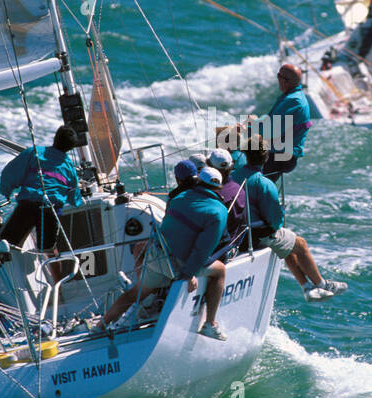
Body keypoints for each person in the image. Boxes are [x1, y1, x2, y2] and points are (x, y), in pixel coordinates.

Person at [100, 166, 229, 339]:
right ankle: (210, 324)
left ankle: (100, 325)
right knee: (220, 270)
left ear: (198, 181)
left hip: (157, 258)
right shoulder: (219, 211)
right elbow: (202, 250)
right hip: (179, 267)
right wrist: (189, 274)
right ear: (219, 188)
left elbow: (166, 230)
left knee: (134, 294)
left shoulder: (178, 198)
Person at [237, 135, 345, 301]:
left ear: (245, 154)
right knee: (300, 244)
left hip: (237, 234)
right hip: (256, 235)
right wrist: (280, 214)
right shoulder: (264, 183)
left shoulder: (233, 176)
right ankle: (321, 284)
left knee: (288, 243)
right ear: (266, 156)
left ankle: (308, 288)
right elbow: (274, 221)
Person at [0, 125, 82, 294]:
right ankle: (59, 292)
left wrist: (6, 192)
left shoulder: (34, 152)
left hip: (28, 206)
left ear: (55, 138)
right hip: (50, 209)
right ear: (71, 148)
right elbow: (75, 199)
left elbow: (9, 174)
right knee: (50, 250)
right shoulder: (69, 167)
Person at [260, 63, 312, 179]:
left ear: (285, 81)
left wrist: (246, 129)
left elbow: (269, 131)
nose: (277, 78)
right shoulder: (295, 96)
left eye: (279, 75)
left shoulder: (293, 101)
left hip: (279, 156)